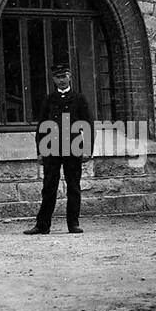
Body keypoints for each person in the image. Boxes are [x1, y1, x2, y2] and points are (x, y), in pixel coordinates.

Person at [25, 63, 94, 234]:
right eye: (58, 77)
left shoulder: (79, 99)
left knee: (73, 186)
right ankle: (42, 225)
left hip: (73, 148)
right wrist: (40, 151)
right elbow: (41, 126)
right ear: (53, 79)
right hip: (52, 148)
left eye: (64, 76)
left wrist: (87, 149)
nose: (61, 80)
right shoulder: (49, 100)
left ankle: (73, 224)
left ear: (70, 77)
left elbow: (88, 125)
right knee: (48, 187)